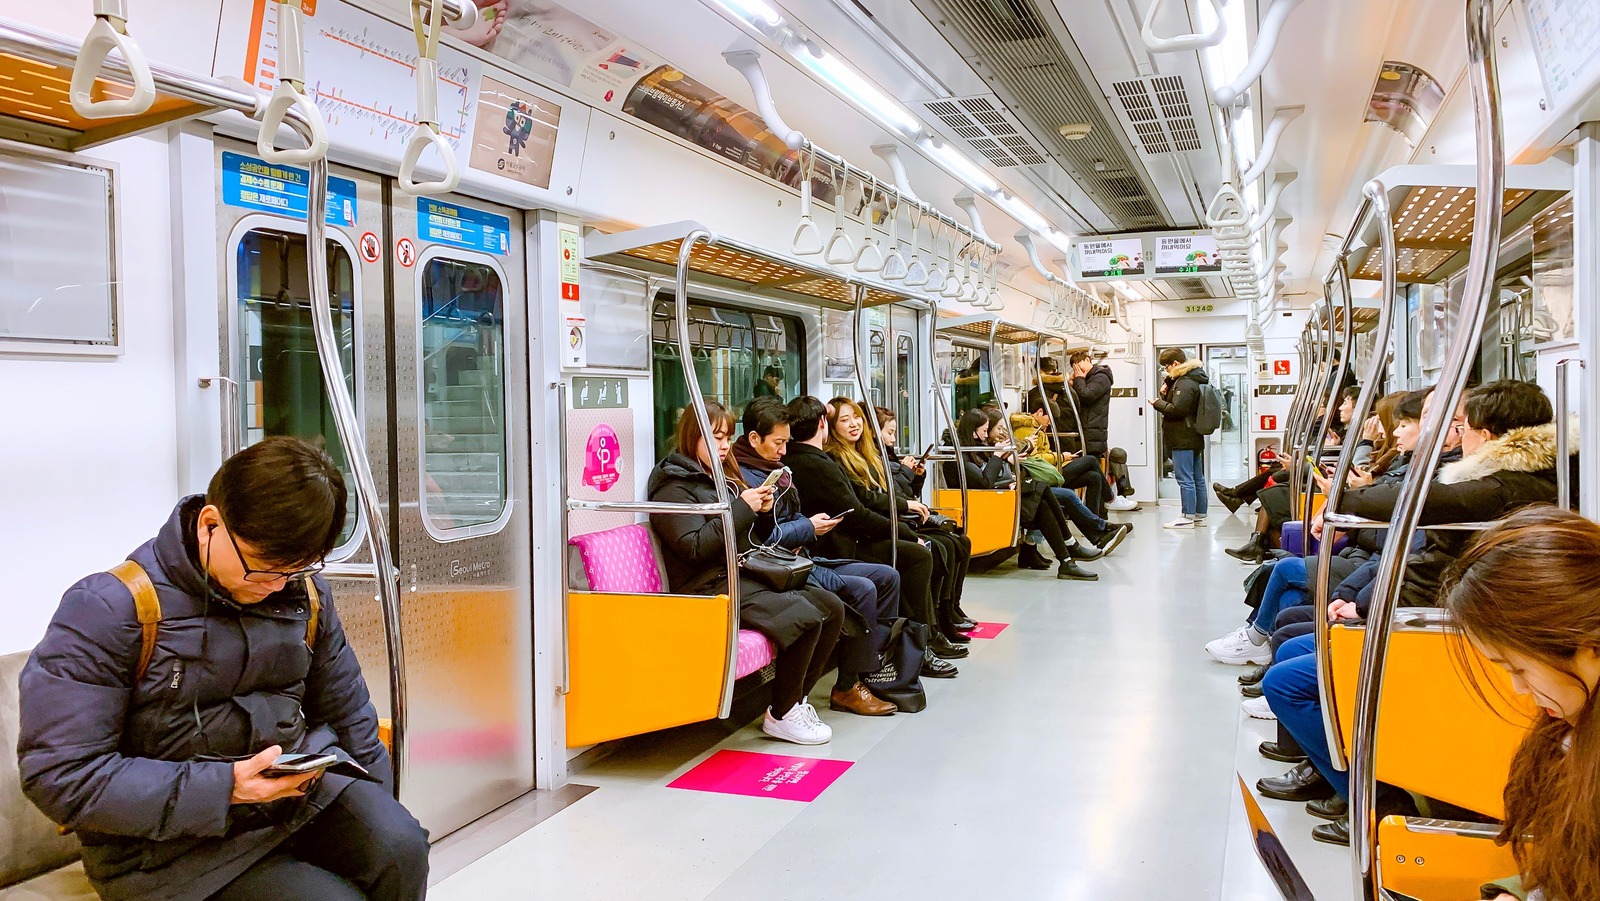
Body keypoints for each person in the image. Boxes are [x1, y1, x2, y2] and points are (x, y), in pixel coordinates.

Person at [18, 437, 428, 901]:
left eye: (294, 572)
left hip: (291, 804)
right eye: (263, 569)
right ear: (210, 524)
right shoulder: (111, 609)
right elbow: (61, 776)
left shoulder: (305, 594)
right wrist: (226, 788)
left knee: (401, 847)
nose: (277, 587)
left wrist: (378, 808)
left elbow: (349, 714)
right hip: (167, 851)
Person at [1259, 380, 1565, 845]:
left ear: (1486, 433)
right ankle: (1333, 773)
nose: (1455, 434)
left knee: (1289, 674)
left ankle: (1377, 802)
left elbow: (1417, 533)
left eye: (1462, 425)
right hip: (1424, 606)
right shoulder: (1502, 478)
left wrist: (1345, 502)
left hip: (1441, 625)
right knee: (1294, 642)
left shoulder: (1501, 486)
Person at [647, 402, 846, 744]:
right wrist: (741, 508)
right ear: (693, 436)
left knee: (831, 607)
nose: (724, 446)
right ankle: (782, 714)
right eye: (716, 437)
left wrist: (762, 511)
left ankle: (795, 702)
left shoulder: (719, 477)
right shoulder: (673, 488)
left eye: (727, 437)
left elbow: (749, 536)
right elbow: (694, 548)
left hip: (737, 573)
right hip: (706, 586)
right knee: (805, 617)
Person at [1440, 506, 1600, 901]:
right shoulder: (1570, 733)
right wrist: (1516, 892)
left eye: (1519, 669)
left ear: (1588, 646)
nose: (1518, 689)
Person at [731, 397, 899, 716]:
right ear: (754, 438)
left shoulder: (778, 469)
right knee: (862, 589)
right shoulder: (744, 477)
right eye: (778, 443)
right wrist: (807, 527)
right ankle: (846, 686)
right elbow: (761, 538)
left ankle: (871, 669)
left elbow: (788, 518)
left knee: (887, 577)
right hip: (778, 566)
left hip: (800, 556)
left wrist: (806, 527)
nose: (784, 450)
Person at [783, 396, 964, 674]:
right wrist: (903, 531)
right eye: (843, 419)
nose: (853, 424)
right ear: (824, 424)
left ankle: (931, 630)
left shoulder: (825, 459)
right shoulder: (822, 462)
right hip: (839, 545)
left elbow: (867, 499)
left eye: (856, 417)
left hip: (848, 536)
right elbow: (856, 512)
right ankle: (917, 645)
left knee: (944, 545)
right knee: (917, 555)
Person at [950, 409, 1098, 581]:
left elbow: (993, 476)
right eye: (984, 430)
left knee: (1042, 497)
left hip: (997, 496)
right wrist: (999, 457)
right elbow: (985, 482)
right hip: (986, 504)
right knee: (1042, 493)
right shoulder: (961, 457)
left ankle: (1067, 559)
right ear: (973, 432)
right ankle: (1070, 548)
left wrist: (1003, 460)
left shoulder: (978, 450)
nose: (985, 435)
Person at [875, 407, 978, 631]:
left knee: (961, 540)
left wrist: (917, 476)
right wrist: (906, 472)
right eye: (890, 433)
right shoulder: (876, 461)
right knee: (943, 546)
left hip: (906, 516)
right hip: (895, 521)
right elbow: (894, 493)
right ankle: (937, 618)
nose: (893, 439)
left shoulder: (889, 457)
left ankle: (951, 605)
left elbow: (908, 493)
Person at [1150, 348, 1210, 529]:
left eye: (1166, 366)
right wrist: (1168, 384)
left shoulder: (1185, 383)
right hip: (1192, 435)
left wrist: (1158, 403)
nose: (1166, 370)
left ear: (1175, 364)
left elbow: (1178, 410)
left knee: (1185, 478)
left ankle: (1187, 516)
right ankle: (1199, 515)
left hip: (1182, 437)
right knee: (1197, 477)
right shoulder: (1193, 378)